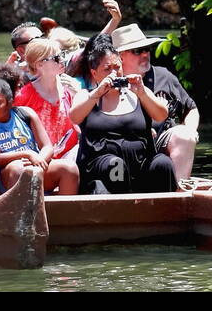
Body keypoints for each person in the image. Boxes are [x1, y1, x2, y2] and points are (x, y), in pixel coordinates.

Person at [69, 36, 175, 194]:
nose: (114, 73)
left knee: (163, 163)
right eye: (107, 69)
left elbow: (161, 115)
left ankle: (164, 213)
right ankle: (124, 209)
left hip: (140, 166)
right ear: (94, 73)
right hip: (102, 170)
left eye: (117, 67)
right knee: (115, 165)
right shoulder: (87, 95)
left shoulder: (138, 93)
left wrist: (143, 92)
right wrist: (98, 93)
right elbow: (74, 117)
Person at [113, 23, 200, 182]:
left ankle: (178, 193)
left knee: (185, 136)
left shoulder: (163, 76)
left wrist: (191, 130)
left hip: (160, 143)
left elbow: (191, 109)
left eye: (147, 49)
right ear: (120, 56)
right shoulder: (110, 82)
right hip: (123, 145)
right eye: (138, 51)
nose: (145, 54)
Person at [0, 78, 78, 194]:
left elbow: (47, 146)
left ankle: (62, 211)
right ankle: (19, 212)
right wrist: (28, 154)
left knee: (69, 168)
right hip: (9, 173)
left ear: (9, 102)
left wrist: (39, 160)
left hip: (35, 164)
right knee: (20, 170)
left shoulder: (26, 114)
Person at [15, 38, 82, 161]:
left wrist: (79, 94)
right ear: (39, 64)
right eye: (56, 58)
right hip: (39, 159)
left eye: (62, 55)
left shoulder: (70, 88)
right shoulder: (23, 96)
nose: (62, 60)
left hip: (71, 156)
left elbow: (84, 124)